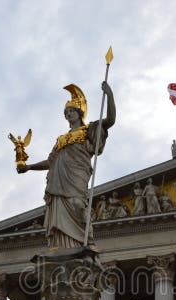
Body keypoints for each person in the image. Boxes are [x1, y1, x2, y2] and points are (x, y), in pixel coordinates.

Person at [17, 82, 116, 249]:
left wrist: (110, 95)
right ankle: (59, 247)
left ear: (79, 113)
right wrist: (29, 167)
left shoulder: (89, 130)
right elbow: (50, 162)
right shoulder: (61, 139)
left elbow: (111, 120)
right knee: (57, 212)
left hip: (76, 177)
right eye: (66, 113)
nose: (68, 114)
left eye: (71, 111)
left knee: (78, 206)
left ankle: (85, 243)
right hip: (57, 181)